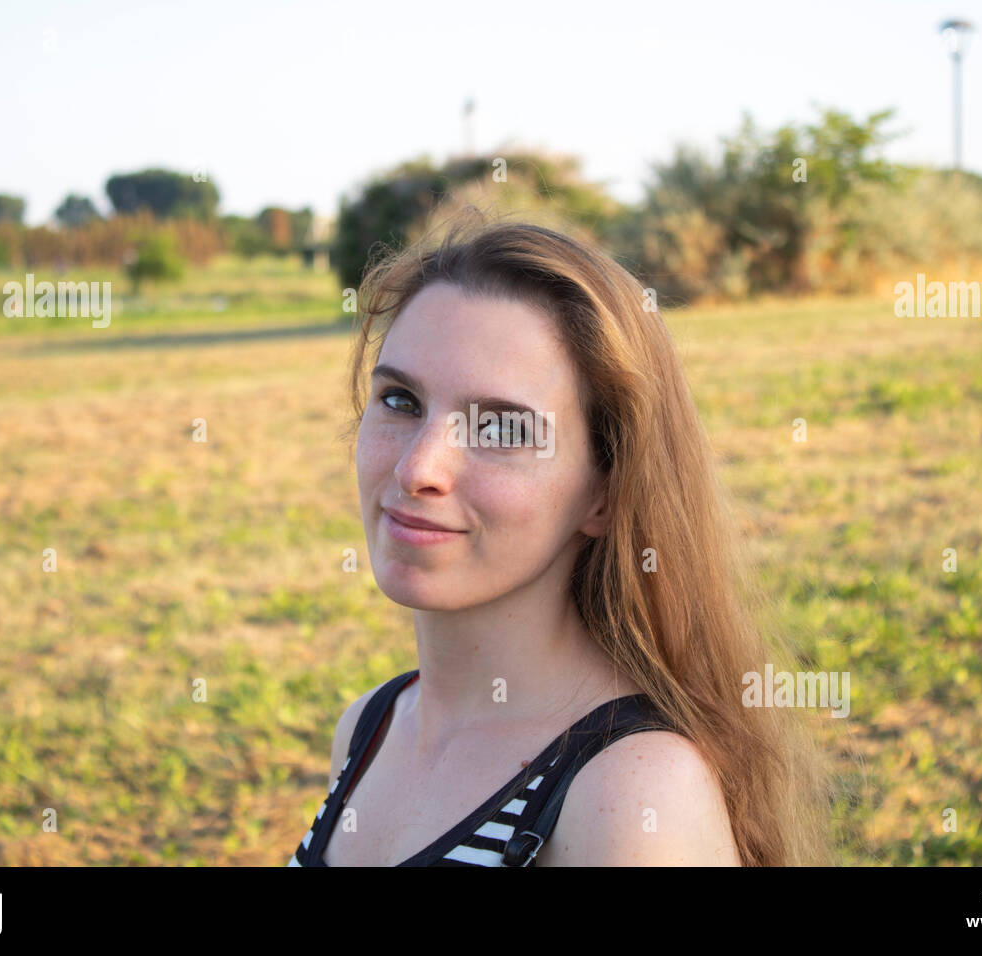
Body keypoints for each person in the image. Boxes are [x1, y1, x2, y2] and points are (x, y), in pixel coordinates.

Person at [289, 209, 833, 866]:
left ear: (604, 491)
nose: (417, 470)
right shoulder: (368, 729)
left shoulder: (632, 796)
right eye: (401, 401)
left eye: (504, 429)